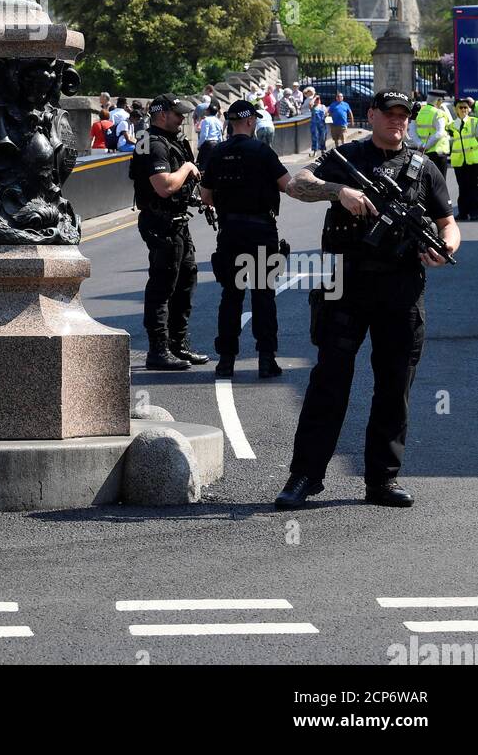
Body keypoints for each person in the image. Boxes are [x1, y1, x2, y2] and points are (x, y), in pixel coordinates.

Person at [276, 91, 459, 511]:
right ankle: (305, 476)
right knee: (329, 381)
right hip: (345, 281)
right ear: (372, 115)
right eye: (389, 114)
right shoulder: (348, 154)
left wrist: (444, 248)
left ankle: (382, 480)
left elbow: (448, 225)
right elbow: (298, 184)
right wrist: (339, 191)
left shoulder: (423, 167)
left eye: (404, 115)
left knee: (396, 385)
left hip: (400, 287)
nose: (398, 121)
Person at [200, 99, 293, 379]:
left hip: (230, 232)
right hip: (261, 231)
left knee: (231, 297)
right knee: (263, 295)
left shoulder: (217, 153)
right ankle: (266, 359)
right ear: (251, 121)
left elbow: (206, 196)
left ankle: (226, 361)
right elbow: (287, 185)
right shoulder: (263, 151)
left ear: (231, 122)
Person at [131, 95, 210, 371]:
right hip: (160, 221)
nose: (182, 119)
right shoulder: (151, 143)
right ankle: (158, 351)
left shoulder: (173, 141)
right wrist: (188, 168)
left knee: (186, 280)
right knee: (162, 286)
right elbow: (164, 186)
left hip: (177, 221)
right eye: (177, 114)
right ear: (161, 114)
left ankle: (178, 345)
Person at [449, 99, 478, 221]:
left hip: (473, 161)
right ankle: (463, 212)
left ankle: (474, 212)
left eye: (465, 108)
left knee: (474, 188)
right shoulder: (452, 125)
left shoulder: (474, 122)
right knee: (462, 188)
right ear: (456, 110)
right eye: (461, 108)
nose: (463, 110)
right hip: (459, 162)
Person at [414, 93, 450, 178]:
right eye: (441, 101)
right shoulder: (438, 112)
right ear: (437, 101)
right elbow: (440, 133)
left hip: (423, 153)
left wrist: (420, 145)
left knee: (426, 181)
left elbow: (412, 131)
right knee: (440, 182)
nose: (441, 103)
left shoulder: (419, 112)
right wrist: (426, 146)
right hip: (438, 153)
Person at [196, 103, 224, 169]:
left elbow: (204, 134)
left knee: (203, 165)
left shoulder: (206, 120)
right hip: (217, 144)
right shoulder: (219, 121)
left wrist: (200, 145)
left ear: (208, 111)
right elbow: (220, 135)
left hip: (208, 145)